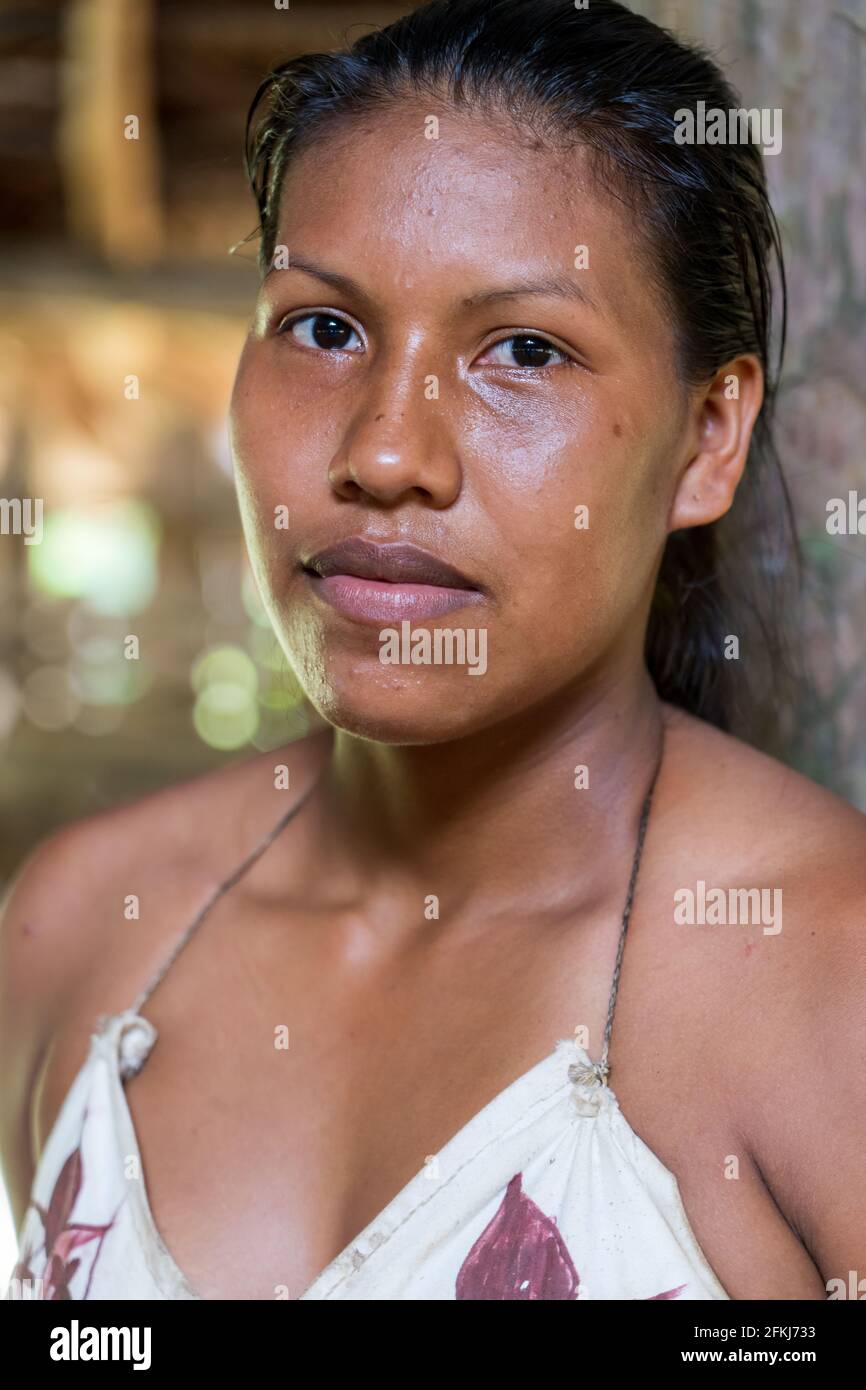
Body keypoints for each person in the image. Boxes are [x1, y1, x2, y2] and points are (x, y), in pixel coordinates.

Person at [2, 0, 864, 1302]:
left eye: (523, 349)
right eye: (322, 327)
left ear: (706, 438)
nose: (385, 453)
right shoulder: (84, 924)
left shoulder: (823, 981)